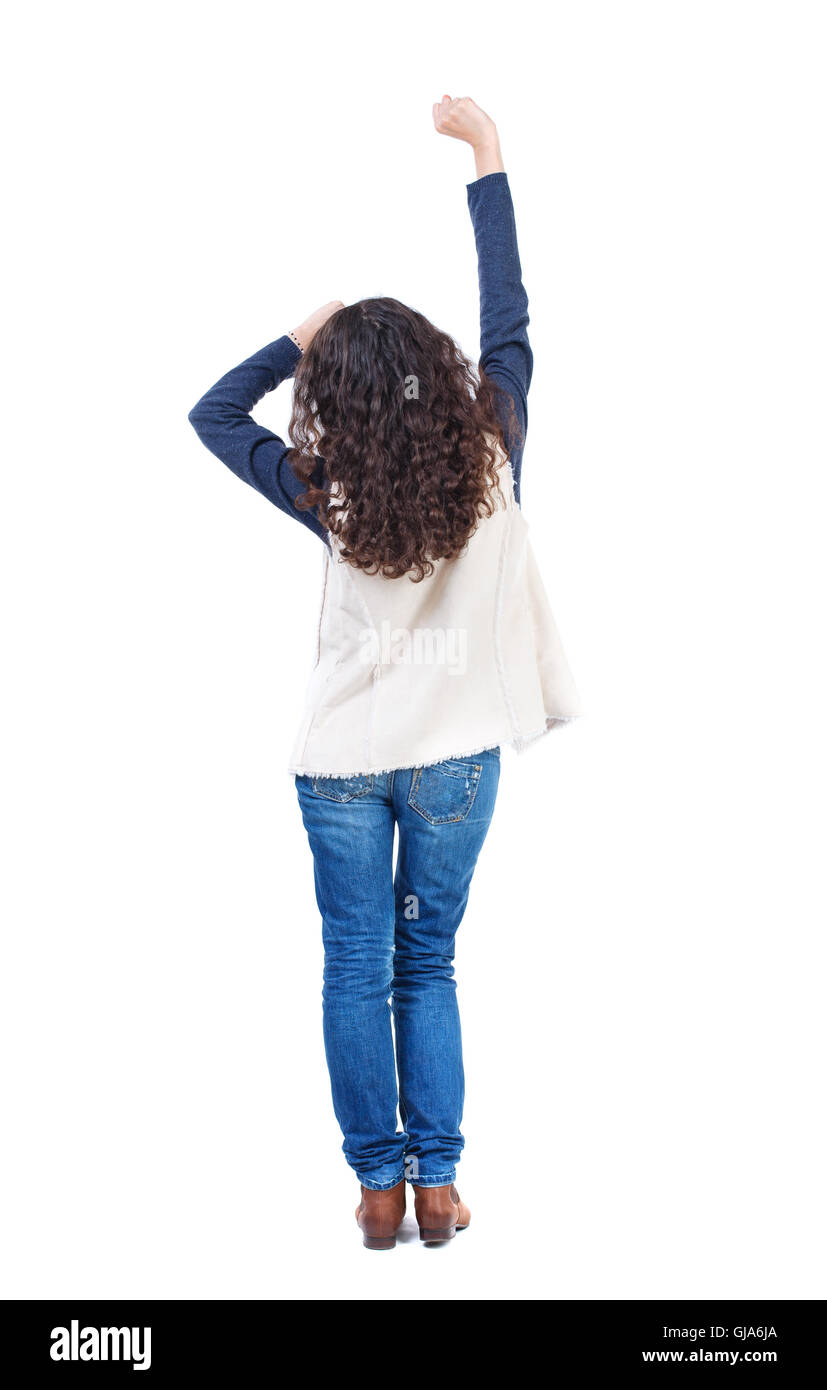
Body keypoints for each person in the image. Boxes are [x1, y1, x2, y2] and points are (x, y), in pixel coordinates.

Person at [187, 95, 580, 1249]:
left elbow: (211, 414)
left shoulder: (322, 489)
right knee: (426, 956)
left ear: (337, 403)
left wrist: (298, 340)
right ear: (437, 374)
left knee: (353, 960)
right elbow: (508, 323)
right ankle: (441, 1181)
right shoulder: (494, 449)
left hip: (343, 766)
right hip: (455, 762)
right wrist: (487, 155)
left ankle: (375, 1188)